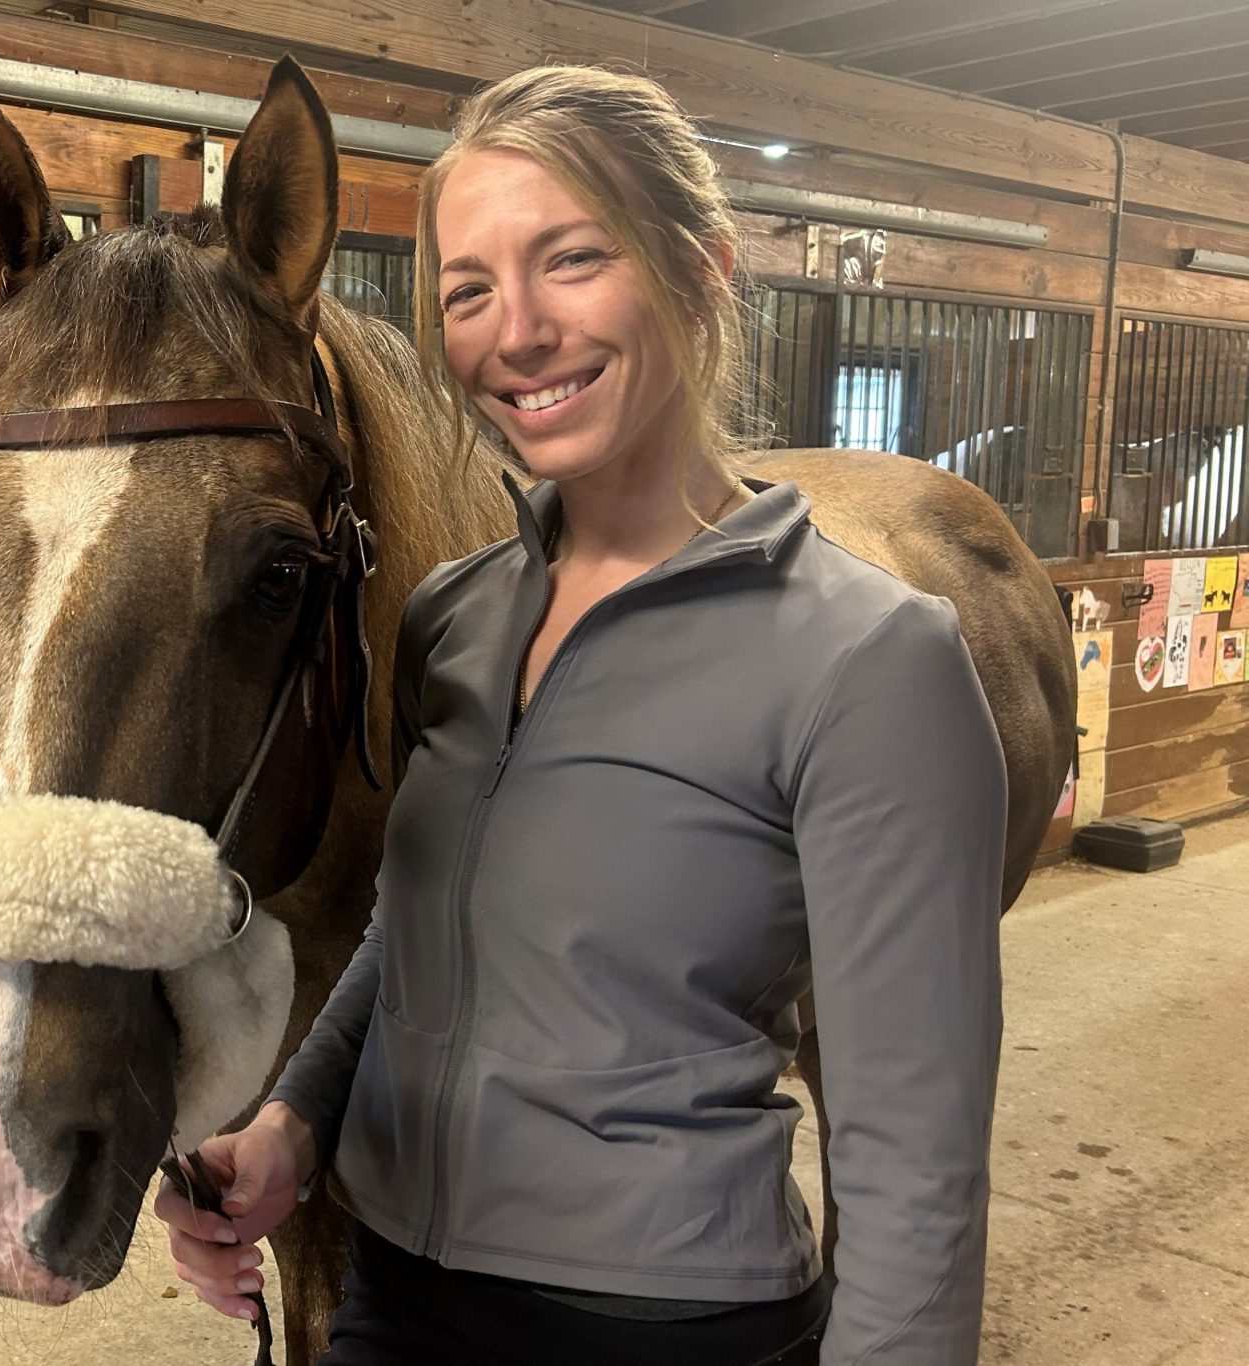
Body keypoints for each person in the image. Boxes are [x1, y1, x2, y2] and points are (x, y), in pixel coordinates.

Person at [154, 64, 1006, 1366]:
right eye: (470, 288)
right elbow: (413, 929)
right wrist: (296, 1128)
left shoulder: (871, 657)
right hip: (392, 1299)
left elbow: (915, 1182)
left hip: (666, 1326)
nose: (519, 329)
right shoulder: (459, 616)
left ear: (701, 269)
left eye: (571, 259)